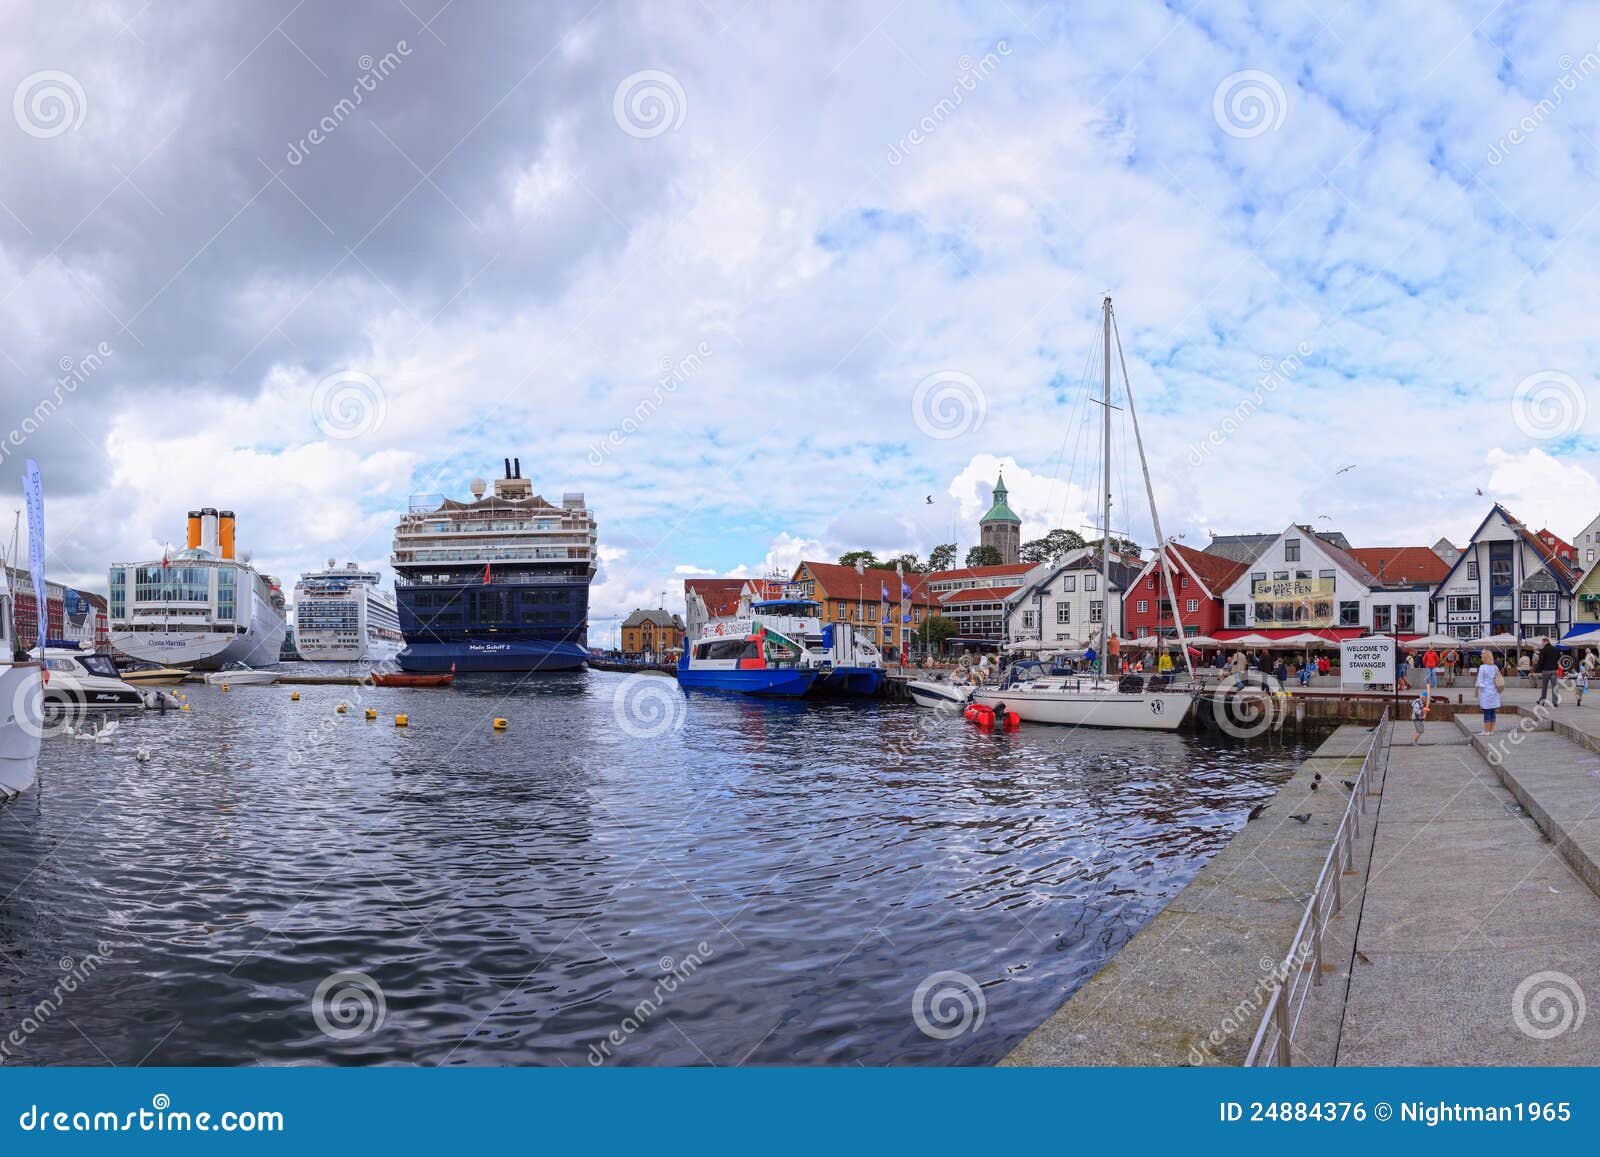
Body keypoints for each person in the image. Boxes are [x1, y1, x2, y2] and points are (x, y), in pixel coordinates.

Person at [1476, 648, 1503, 734]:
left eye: (1482, 656)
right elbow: (1498, 678)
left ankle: (1486, 731)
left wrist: (1476, 691)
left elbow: (1479, 681)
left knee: (1487, 712)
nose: (1481, 657)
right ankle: (1491, 731)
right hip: (1494, 692)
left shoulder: (1482, 667)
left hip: (1485, 692)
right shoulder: (1495, 667)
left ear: (1485, 657)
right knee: (1492, 711)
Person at [1536, 636, 1561, 708]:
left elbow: (1540, 661)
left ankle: (1542, 701)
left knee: (1544, 687)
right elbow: (1559, 656)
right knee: (1554, 687)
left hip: (1546, 670)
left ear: (1545, 642)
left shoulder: (1543, 650)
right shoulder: (1556, 649)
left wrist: (1537, 670)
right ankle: (1555, 702)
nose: (1541, 644)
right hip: (1554, 670)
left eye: (1542, 642)